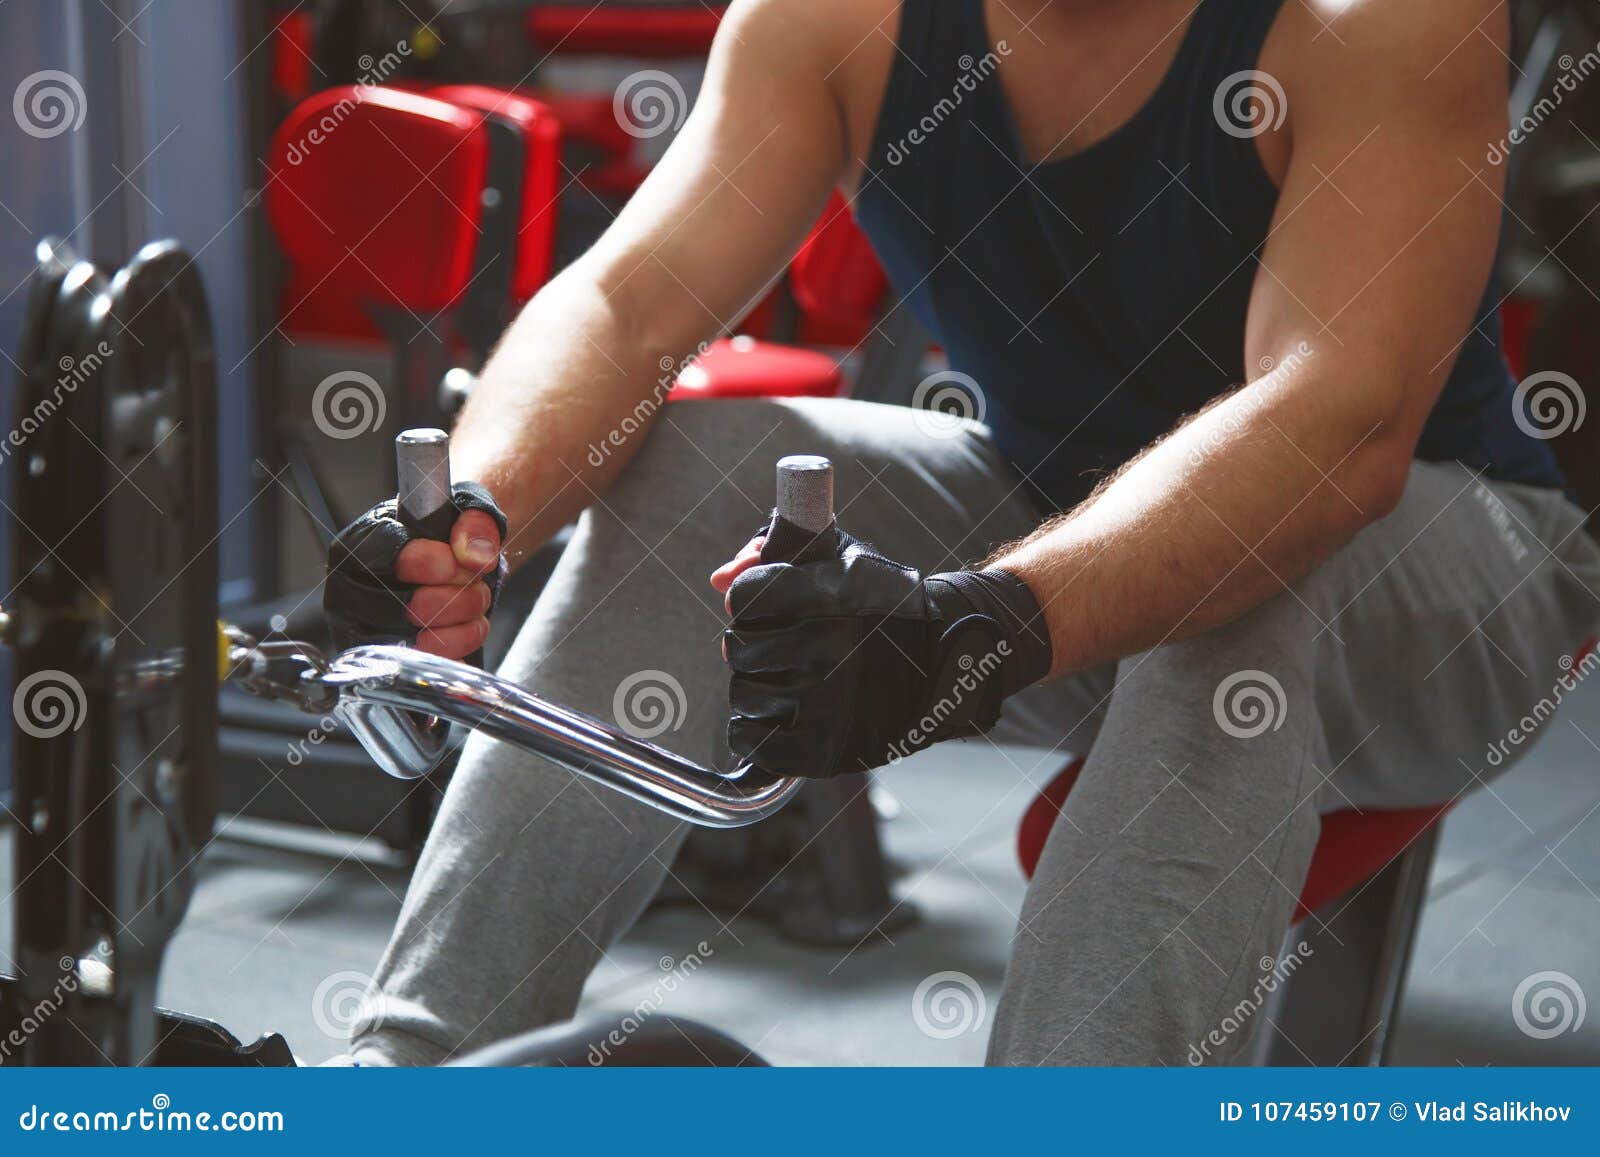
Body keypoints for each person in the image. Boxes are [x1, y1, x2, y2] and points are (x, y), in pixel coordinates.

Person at [323, 0, 1600, 1065]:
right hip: (1064, 520)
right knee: (719, 464)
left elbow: (1332, 429)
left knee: (1249, 567)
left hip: (1460, 576)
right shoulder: (839, 19)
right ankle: (412, 1071)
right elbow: (626, 298)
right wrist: (465, 518)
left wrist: (972, 627)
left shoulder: (1373, 18)